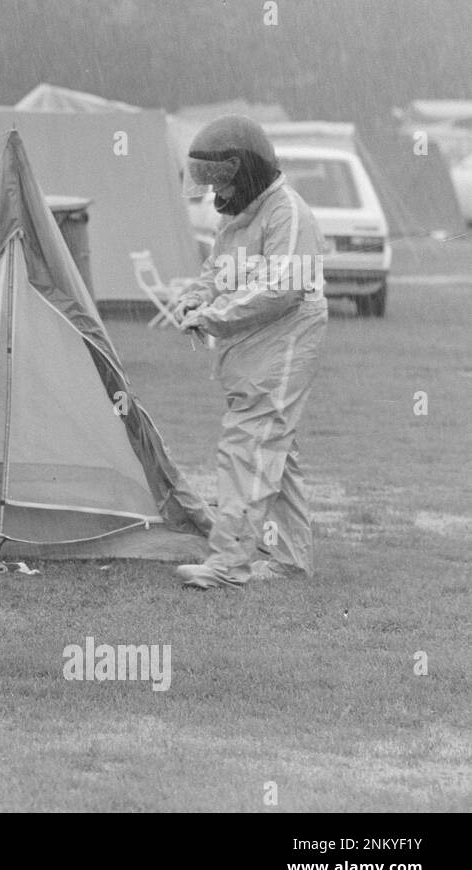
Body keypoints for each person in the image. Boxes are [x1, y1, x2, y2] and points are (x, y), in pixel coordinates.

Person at [172, 115, 330, 590]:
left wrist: (212, 317)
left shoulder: (288, 214)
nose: (216, 193)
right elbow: (218, 271)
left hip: (283, 344)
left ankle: (227, 563)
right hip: (249, 348)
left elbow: (281, 288)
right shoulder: (238, 215)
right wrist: (195, 298)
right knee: (277, 450)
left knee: (249, 446)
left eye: (221, 180)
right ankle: (288, 559)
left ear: (245, 171)